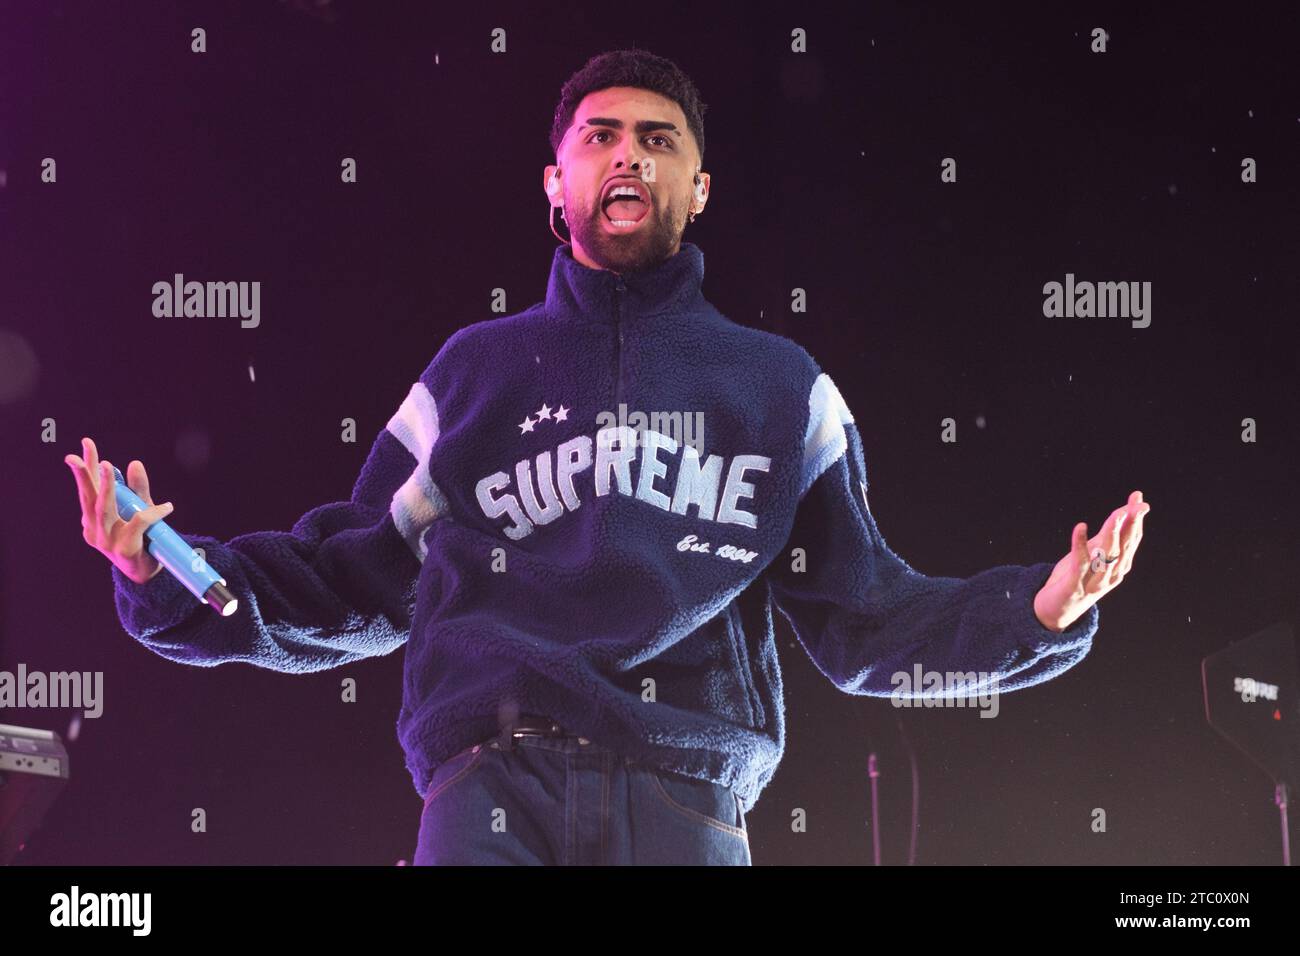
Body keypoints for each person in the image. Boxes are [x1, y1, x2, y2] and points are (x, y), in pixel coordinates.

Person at [65, 49, 1150, 865]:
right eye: (597, 136)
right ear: (555, 183)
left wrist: (1036, 610)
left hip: (686, 792)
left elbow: (863, 620)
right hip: (490, 787)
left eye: (656, 137)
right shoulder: (471, 373)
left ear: (700, 188)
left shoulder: (779, 387)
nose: (626, 151)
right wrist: (172, 571)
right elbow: (348, 576)